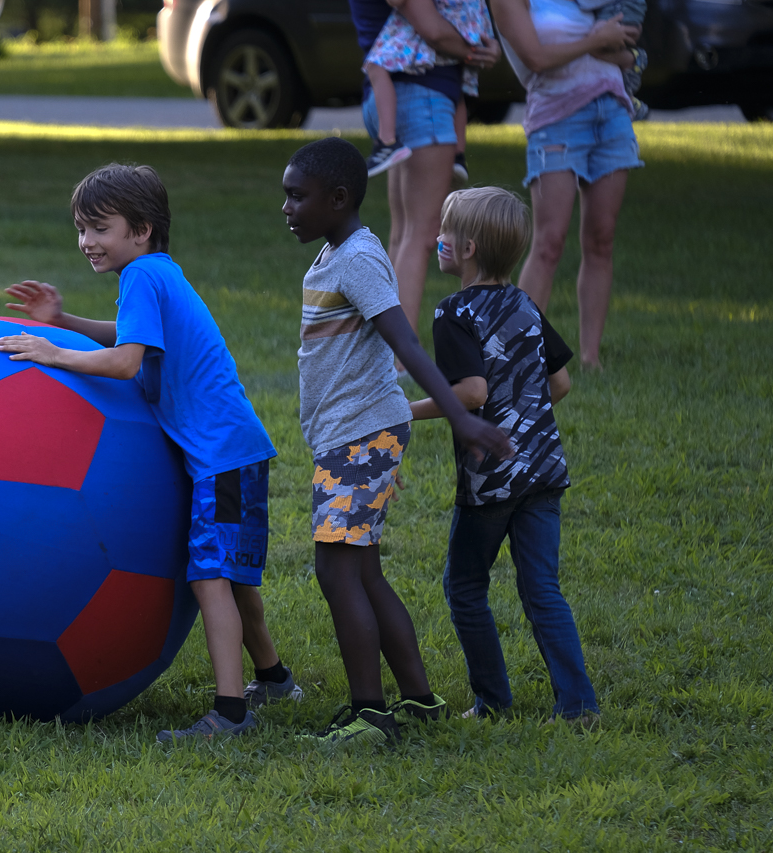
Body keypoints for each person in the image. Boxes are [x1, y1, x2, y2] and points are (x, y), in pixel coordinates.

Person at [0, 164, 302, 743]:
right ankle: (274, 678)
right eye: (81, 229)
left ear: (141, 230)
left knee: (211, 579)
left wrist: (51, 351)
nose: (87, 241)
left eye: (99, 228)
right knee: (235, 578)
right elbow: (128, 334)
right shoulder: (157, 271)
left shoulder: (141, 275)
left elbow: (125, 361)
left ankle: (231, 713)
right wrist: (63, 321)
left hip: (222, 456)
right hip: (231, 451)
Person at [281, 138, 513, 747]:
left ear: (338, 198)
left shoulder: (357, 258)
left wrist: (461, 418)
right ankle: (419, 700)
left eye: (298, 196)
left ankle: (370, 714)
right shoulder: (336, 253)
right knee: (363, 573)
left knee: (336, 573)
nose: (287, 207)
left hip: (360, 434)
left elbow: (404, 342)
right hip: (354, 434)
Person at [410, 187, 600, 726]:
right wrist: (524, 414)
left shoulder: (454, 312)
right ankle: (578, 705)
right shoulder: (524, 303)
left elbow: (471, 392)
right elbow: (560, 383)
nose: (436, 239)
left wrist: (407, 410)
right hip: (544, 470)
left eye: (444, 232)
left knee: (465, 586)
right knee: (542, 588)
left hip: (492, 480)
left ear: (467, 249)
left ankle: (492, 702)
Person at [349, 0, 501, 364]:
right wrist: (475, 50)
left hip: (402, 96)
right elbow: (432, 29)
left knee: (404, 233)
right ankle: (398, 362)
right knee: (421, 235)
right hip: (422, 97)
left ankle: (380, 359)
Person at [491, 0, 640, 370]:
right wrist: (596, 42)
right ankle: (517, 359)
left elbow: (627, 49)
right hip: (555, 117)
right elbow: (536, 59)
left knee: (602, 239)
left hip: (611, 110)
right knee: (549, 242)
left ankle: (591, 359)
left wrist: (622, 51)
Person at [361, 0, 493, 180]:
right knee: (459, 87)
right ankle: (458, 155)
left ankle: (387, 142)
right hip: (468, 20)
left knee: (376, 65)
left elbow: (400, 4)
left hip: (445, 23)